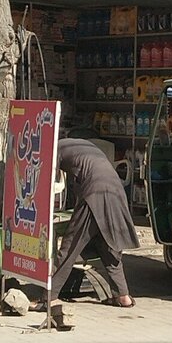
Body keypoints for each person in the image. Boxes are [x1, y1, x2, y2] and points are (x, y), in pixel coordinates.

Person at [48, 138, 139, 329]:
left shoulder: (53, 149)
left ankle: (49, 296)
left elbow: (48, 183)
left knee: (70, 245)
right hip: (115, 191)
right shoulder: (78, 145)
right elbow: (78, 181)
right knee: (108, 246)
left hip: (95, 193)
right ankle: (123, 295)